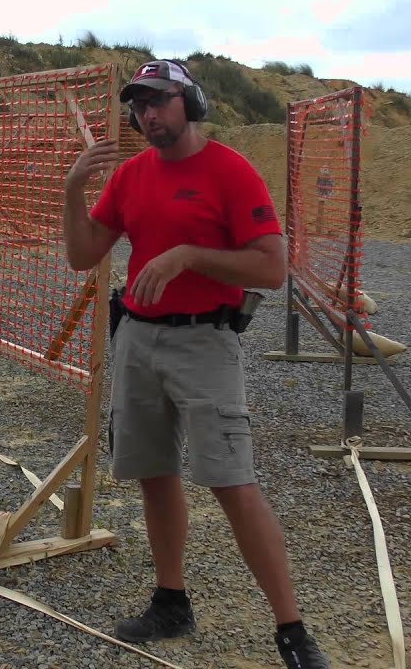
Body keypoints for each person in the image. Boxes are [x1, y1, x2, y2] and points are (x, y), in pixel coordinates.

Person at [61, 59, 331, 669]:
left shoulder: (230, 171)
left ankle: (292, 631)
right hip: (137, 338)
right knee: (155, 474)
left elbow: (272, 268)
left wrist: (188, 255)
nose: (148, 115)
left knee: (232, 480)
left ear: (191, 103)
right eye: (139, 106)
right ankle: (171, 602)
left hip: (206, 341)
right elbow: (82, 255)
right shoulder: (130, 176)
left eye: (159, 101)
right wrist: (74, 190)